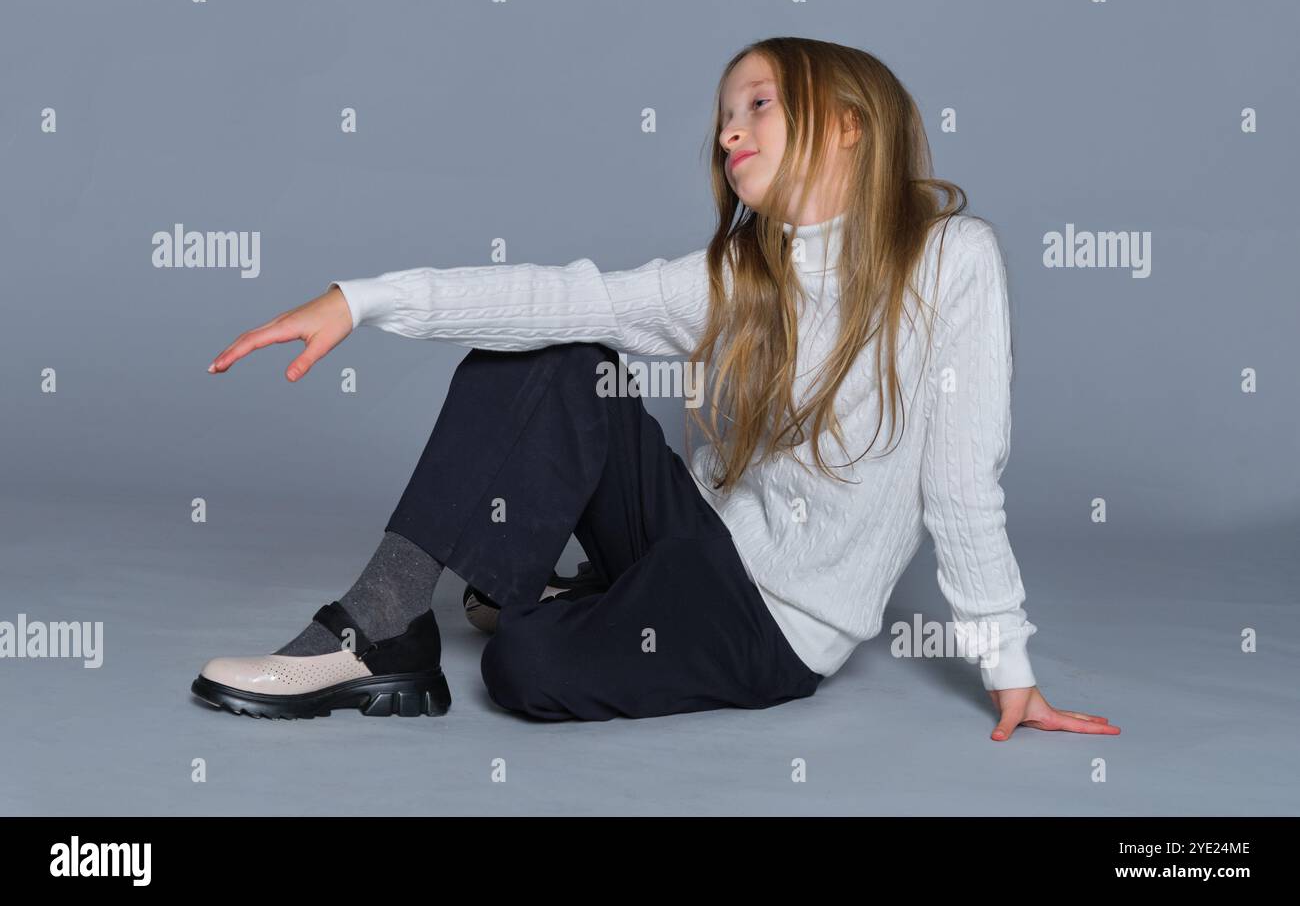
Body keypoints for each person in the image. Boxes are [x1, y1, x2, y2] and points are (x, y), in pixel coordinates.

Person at [191, 36, 1119, 740]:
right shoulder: (742, 275)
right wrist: (362, 301)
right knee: (556, 352)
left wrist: (1009, 667)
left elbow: (961, 482)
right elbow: (564, 294)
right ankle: (380, 625)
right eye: (723, 116)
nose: (727, 131)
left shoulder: (954, 260)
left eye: (757, 104)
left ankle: (540, 598)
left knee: (522, 666)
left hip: (775, 625)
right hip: (694, 542)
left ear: (847, 123)